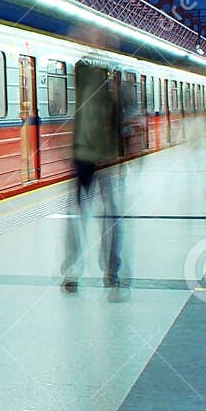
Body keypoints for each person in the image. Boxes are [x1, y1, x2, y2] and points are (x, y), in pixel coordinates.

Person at [62, 50, 126, 298]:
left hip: (90, 159)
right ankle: (108, 271)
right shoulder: (108, 93)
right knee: (106, 215)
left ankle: (78, 270)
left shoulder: (89, 97)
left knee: (84, 214)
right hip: (97, 159)